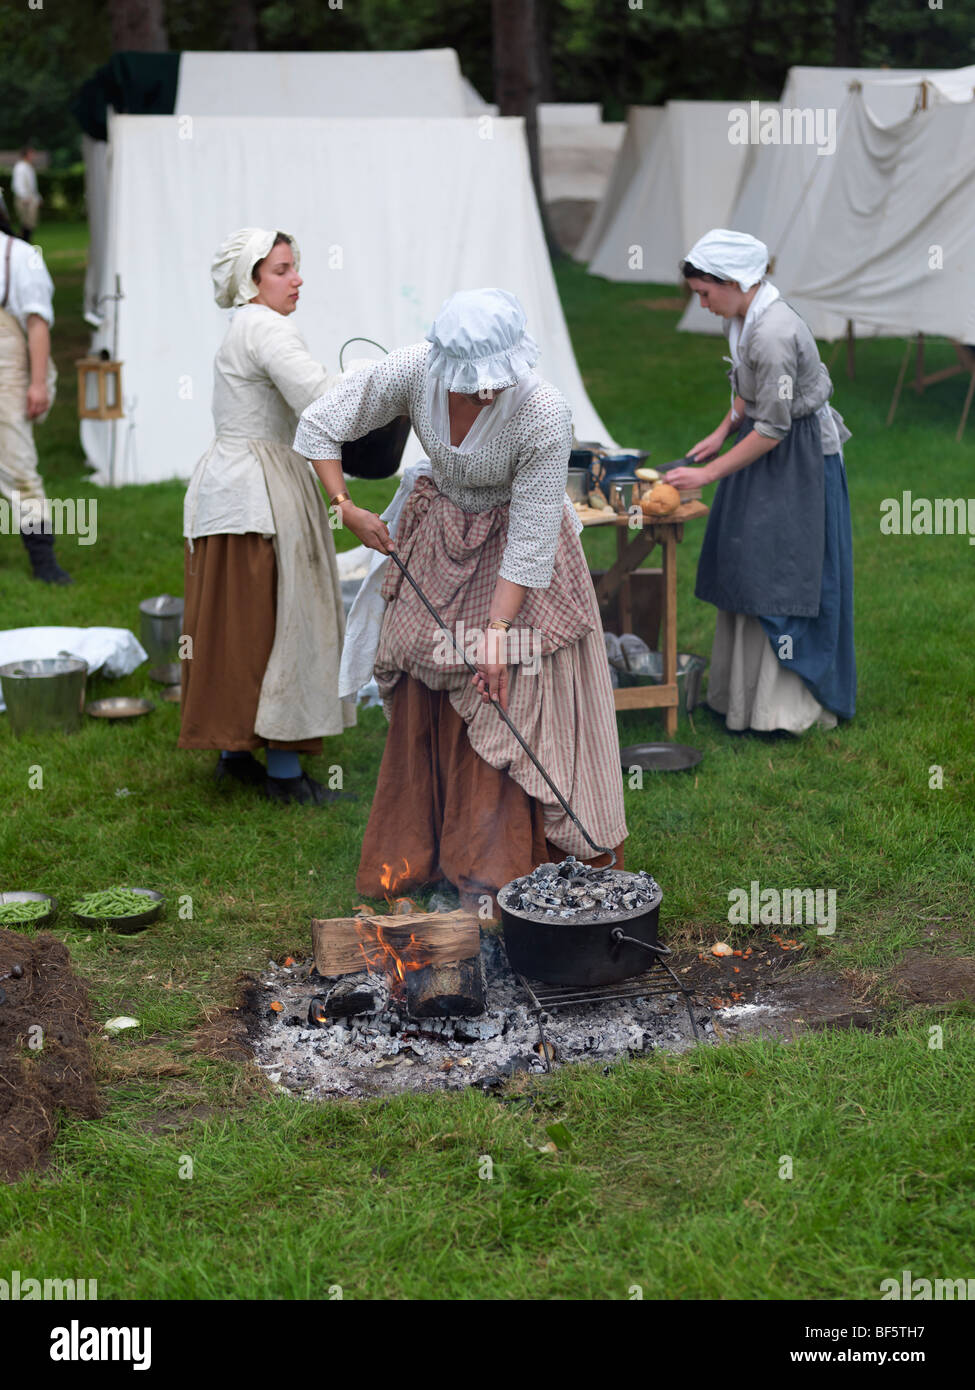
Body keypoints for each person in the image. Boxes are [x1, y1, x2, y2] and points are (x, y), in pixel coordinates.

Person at [294, 288, 627, 910]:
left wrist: (496, 636)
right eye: (473, 384)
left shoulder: (543, 414)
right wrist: (345, 508)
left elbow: (530, 541)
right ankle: (418, 849)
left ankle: (495, 865)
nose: (485, 393)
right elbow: (321, 422)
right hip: (441, 533)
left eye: (494, 383)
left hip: (516, 557)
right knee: (419, 657)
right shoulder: (417, 368)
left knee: (507, 686)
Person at [179, 227, 354, 803]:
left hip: (230, 491)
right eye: (281, 269)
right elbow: (321, 397)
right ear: (251, 280)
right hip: (259, 494)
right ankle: (283, 777)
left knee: (238, 628)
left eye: (294, 267)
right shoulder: (267, 327)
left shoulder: (243, 327)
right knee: (284, 624)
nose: (297, 278)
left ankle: (236, 755)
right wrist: (391, 383)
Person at [668, 229, 856, 733]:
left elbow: (774, 426)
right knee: (748, 560)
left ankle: (784, 708)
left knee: (779, 565)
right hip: (764, 445)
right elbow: (750, 395)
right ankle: (743, 699)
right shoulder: (744, 317)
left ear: (734, 281)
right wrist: (724, 428)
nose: (703, 305)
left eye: (705, 294)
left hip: (795, 458)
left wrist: (707, 473)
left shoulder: (774, 333)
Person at [0, 209, 70, 584]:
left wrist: (37, 383)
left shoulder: (21, 257)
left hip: (7, 373)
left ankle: (44, 563)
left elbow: (37, 322)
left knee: (17, 467)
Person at [12, 146, 41, 243]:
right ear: (27, 154)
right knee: (26, 223)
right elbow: (18, 184)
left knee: (30, 223)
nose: (34, 156)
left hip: (30, 198)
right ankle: (23, 242)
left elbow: (32, 186)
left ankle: (26, 242)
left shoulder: (28, 166)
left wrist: (37, 198)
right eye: (32, 154)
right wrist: (24, 197)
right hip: (24, 199)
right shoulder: (21, 167)